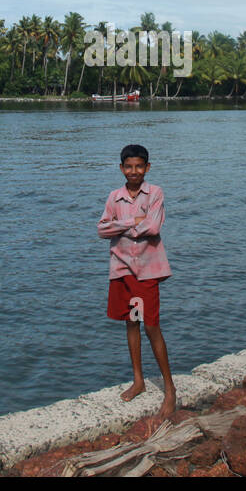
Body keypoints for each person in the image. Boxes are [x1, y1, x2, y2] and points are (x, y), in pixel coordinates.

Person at [97, 143, 176, 420]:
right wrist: (132, 221)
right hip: (123, 269)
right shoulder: (114, 197)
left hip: (146, 270)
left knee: (152, 326)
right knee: (131, 323)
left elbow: (153, 227)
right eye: (129, 167)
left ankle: (170, 389)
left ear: (147, 168)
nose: (134, 171)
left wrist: (121, 224)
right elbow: (101, 229)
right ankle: (139, 380)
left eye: (139, 166)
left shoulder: (155, 193)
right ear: (121, 169)